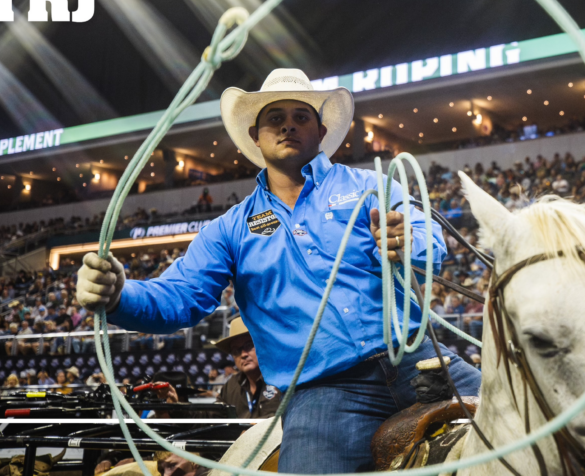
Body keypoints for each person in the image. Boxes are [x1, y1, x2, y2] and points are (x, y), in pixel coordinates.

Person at [76, 69, 478, 474]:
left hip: (423, 360)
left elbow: (427, 236)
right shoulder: (230, 229)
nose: (288, 124)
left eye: (301, 117)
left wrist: (410, 241)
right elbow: (180, 298)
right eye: (275, 117)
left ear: (320, 131)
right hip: (326, 391)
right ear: (255, 135)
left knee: (537, 420)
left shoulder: (371, 185)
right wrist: (118, 297)